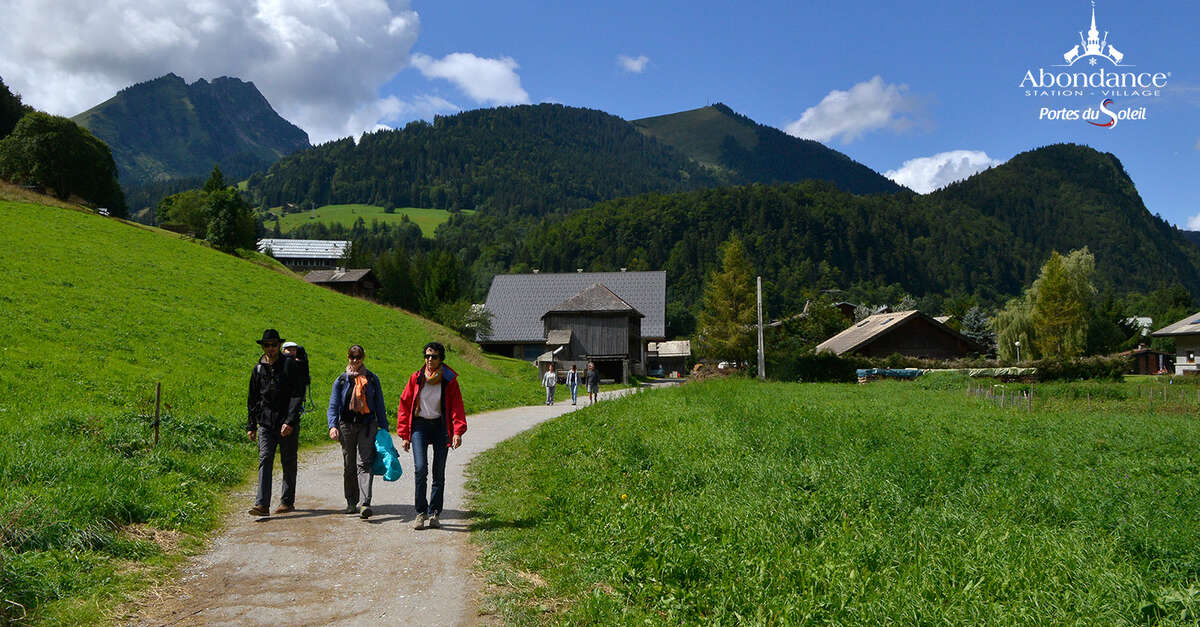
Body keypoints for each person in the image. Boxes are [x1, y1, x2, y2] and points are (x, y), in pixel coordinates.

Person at [397, 342, 467, 530]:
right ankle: (421, 513)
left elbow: (456, 407)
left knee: (438, 472)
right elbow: (405, 405)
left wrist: (457, 431)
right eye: (427, 356)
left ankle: (435, 513)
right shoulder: (416, 378)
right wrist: (404, 434)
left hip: (440, 427)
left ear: (440, 359)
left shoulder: (449, 380)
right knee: (420, 469)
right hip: (419, 426)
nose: (429, 360)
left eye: (434, 356)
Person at [246, 329, 305, 517]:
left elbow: (298, 394)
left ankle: (287, 502)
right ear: (263, 347)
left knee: (288, 461)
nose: (270, 348)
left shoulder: (289, 365)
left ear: (279, 345)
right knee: (265, 459)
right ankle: (262, 505)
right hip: (265, 422)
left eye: (273, 345)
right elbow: (252, 398)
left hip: (286, 422)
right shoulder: (258, 369)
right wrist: (251, 425)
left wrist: (290, 421)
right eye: (267, 345)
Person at [327, 344, 388, 518]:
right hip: (346, 425)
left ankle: (365, 502)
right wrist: (332, 426)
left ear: (363, 358)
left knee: (364, 463)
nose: (355, 360)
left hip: (367, 426)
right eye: (352, 357)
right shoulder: (341, 380)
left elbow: (380, 405)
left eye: (358, 357)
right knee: (349, 465)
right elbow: (333, 405)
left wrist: (383, 428)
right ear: (348, 357)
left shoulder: (372, 379)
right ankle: (351, 501)